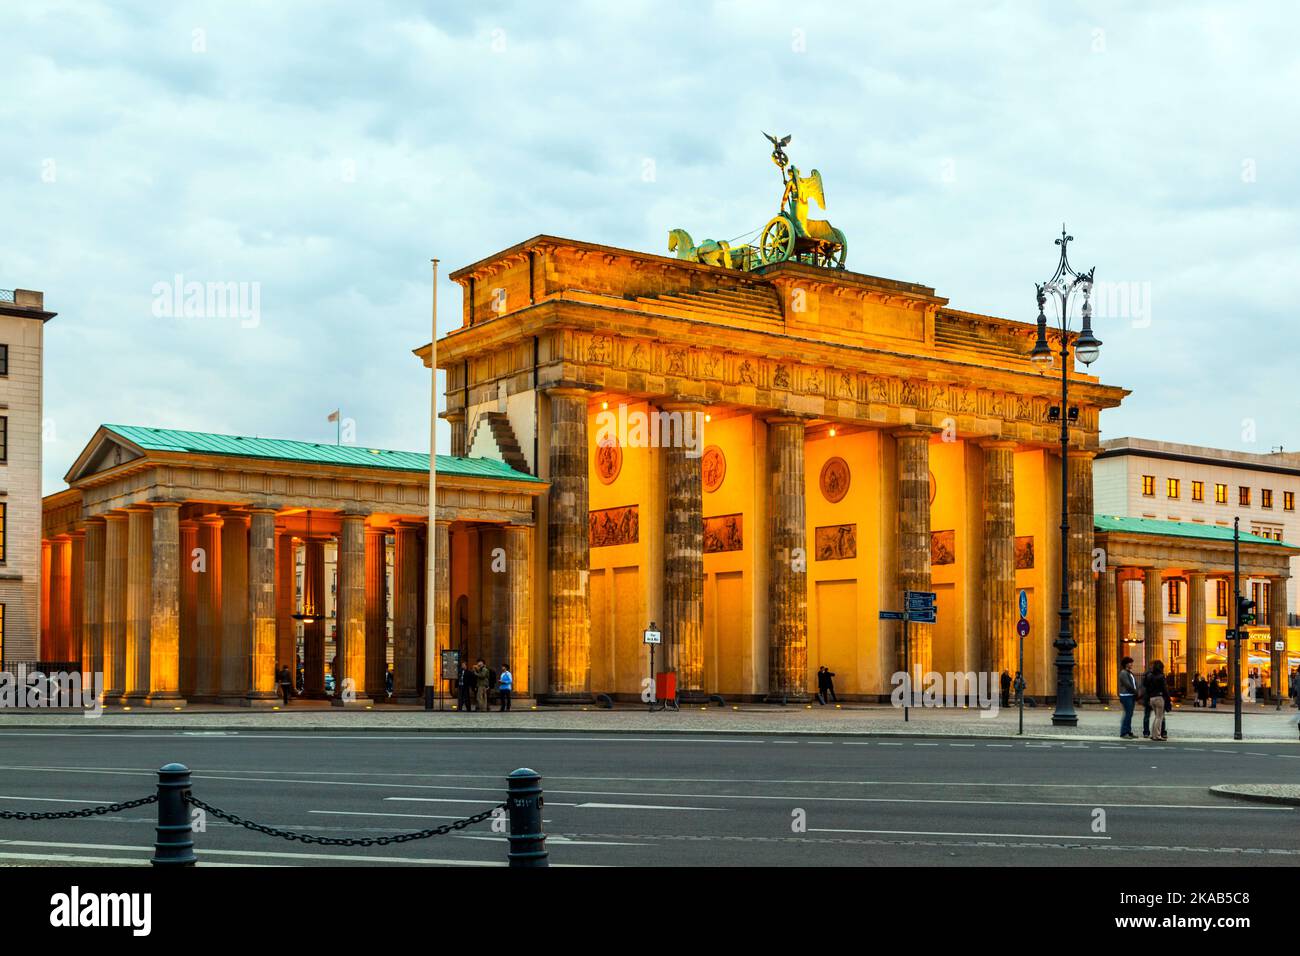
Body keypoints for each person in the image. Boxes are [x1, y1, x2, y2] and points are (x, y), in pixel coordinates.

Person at [1145, 660, 1169, 742]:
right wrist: (1168, 698)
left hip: (1152, 698)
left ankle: (1153, 734)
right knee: (1159, 717)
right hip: (1159, 697)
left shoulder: (1150, 676)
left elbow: (1147, 688)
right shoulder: (1161, 676)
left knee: (1156, 717)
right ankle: (1157, 735)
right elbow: (1165, 689)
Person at [1118, 656, 1138, 739]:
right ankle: (1124, 732)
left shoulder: (1129, 673)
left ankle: (1128, 731)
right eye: (1130, 663)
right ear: (1126, 664)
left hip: (1130, 695)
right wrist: (1135, 692)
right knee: (1128, 714)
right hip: (1126, 696)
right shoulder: (1123, 673)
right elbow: (1128, 685)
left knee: (1129, 714)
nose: (1132, 664)